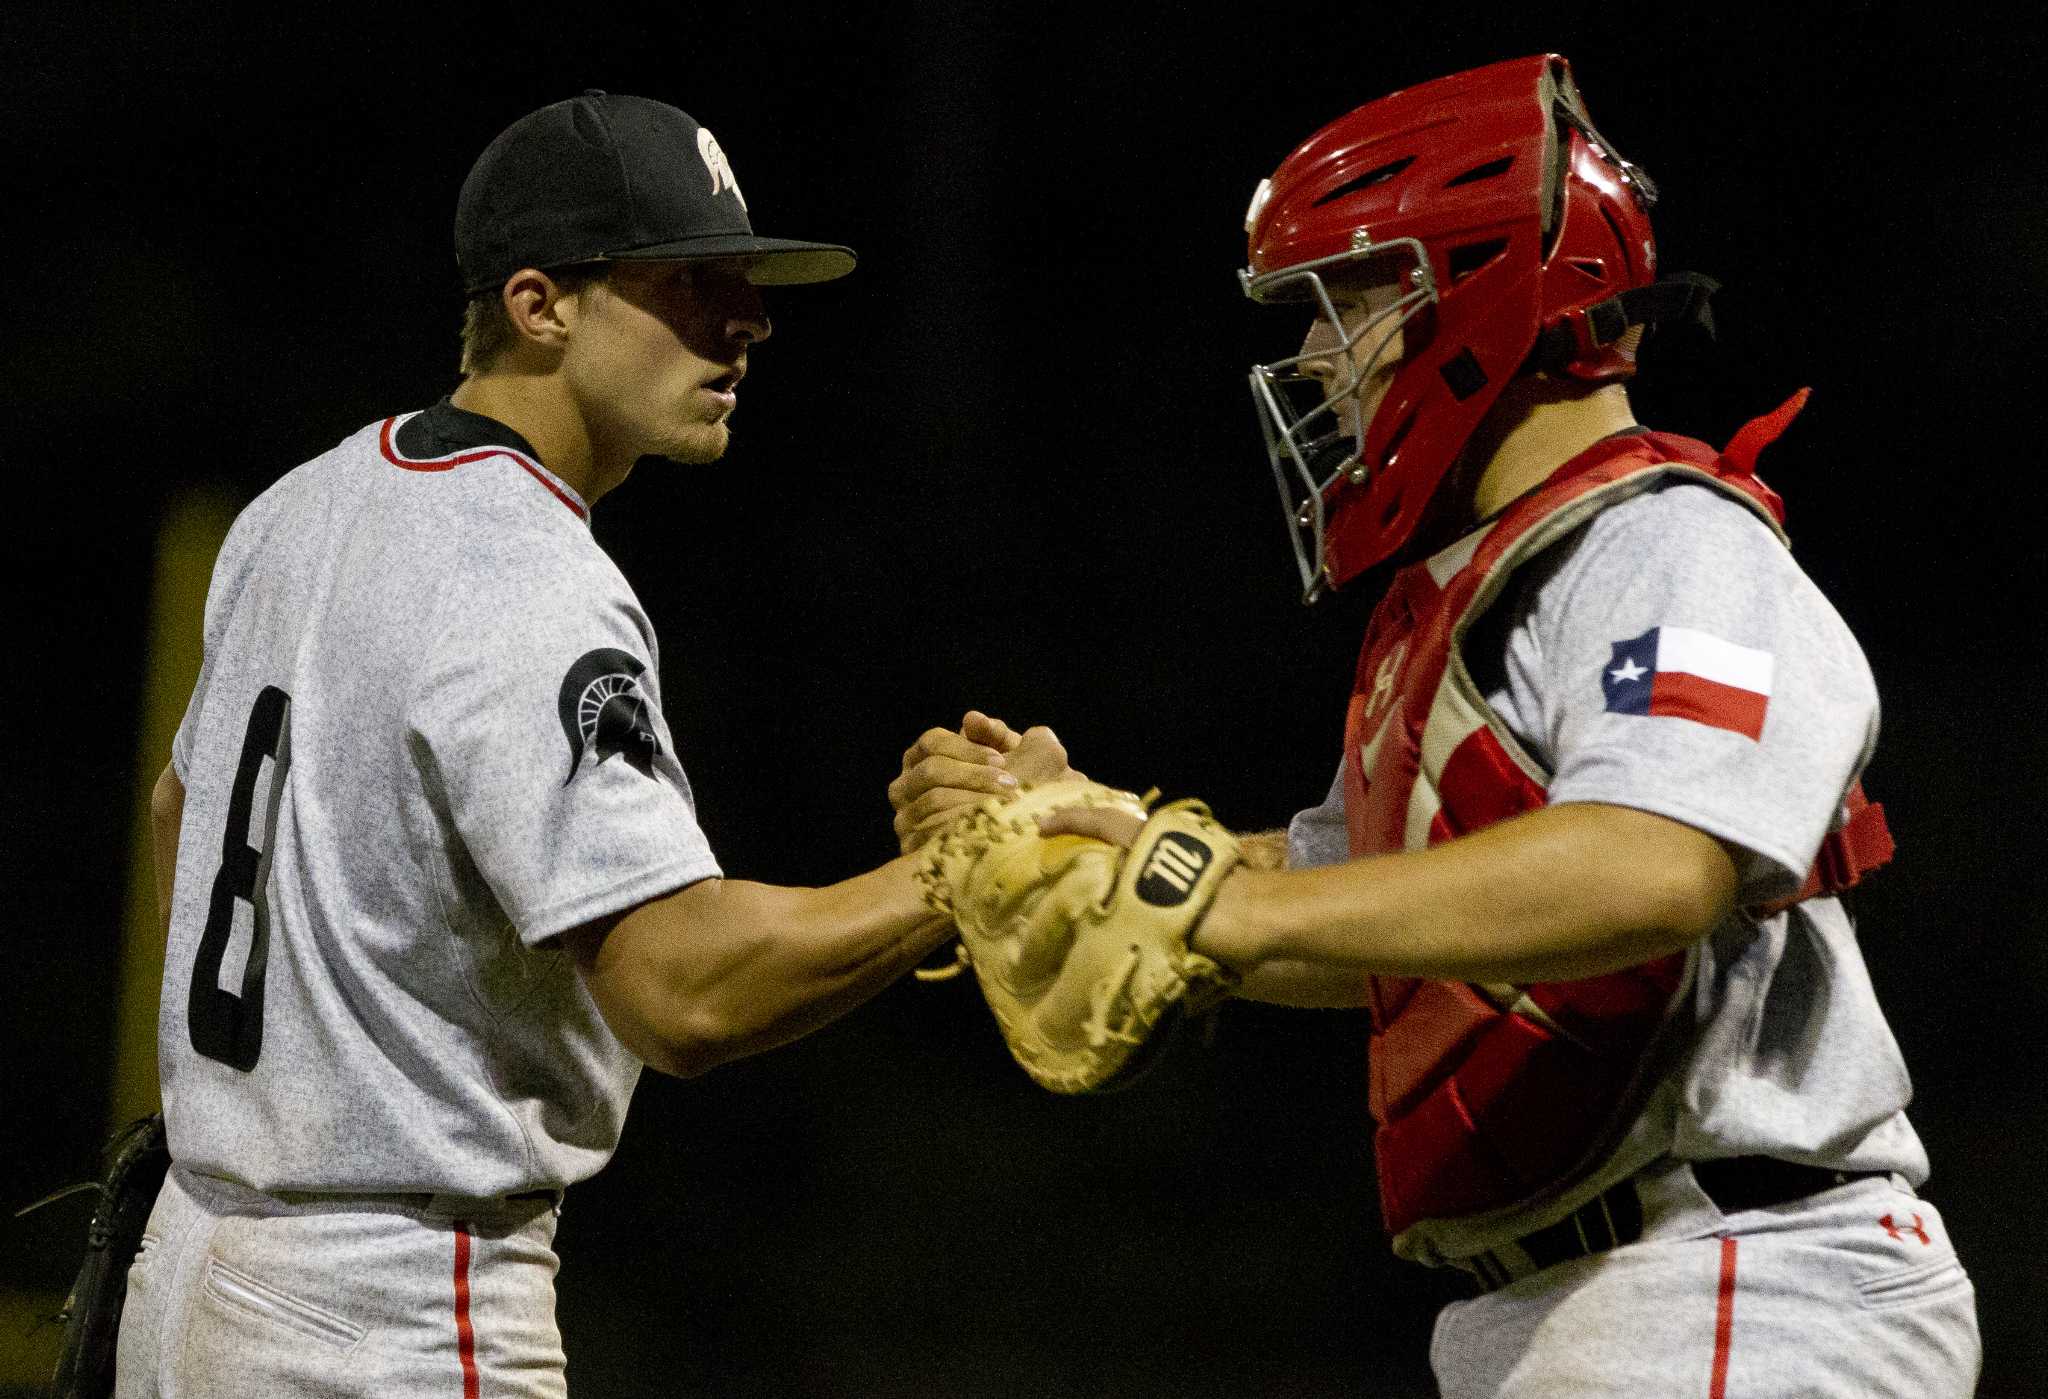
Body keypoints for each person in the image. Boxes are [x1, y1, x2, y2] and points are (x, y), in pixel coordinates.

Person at [892, 55, 1980, 1397]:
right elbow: (1368, 912)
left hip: (1736, 1272)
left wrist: (1218, 905)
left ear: (1477, 291)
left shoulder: (1670, 543)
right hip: (1589, 1296)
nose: (1313, 360)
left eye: (1344, 303)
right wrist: (1101, 831)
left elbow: (1655, 867)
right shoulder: (1478, 588)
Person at [119, 91, 962, 1396]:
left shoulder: (301, 506)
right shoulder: (524, 570)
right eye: (689, 280)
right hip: (391, 1301)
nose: (747, 318)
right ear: (539, 304)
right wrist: (970, 870)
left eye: (742, 282)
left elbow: (183, 813)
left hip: (192, 1265)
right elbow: (681, 993)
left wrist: (293, 1087)